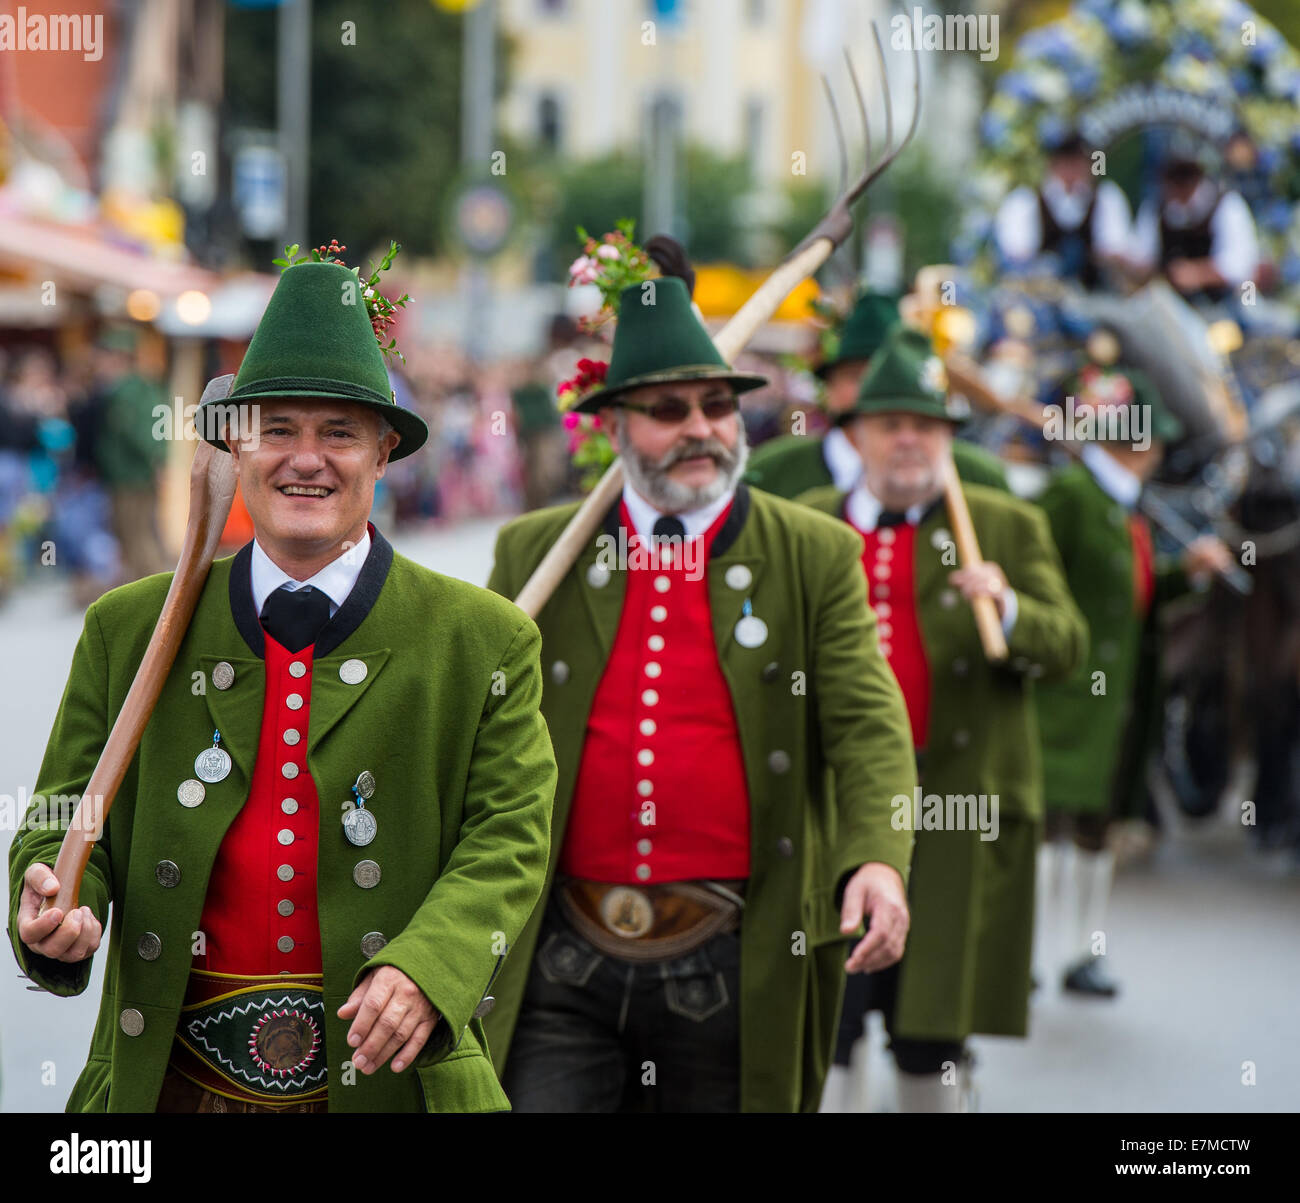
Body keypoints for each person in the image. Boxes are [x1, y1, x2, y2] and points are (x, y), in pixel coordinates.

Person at [9, 259, 557, 1112]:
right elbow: (59, 813)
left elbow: (510, 837)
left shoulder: (482, 639)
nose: (307, 459)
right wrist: (52, 891)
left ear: (384, 450)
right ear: (236, 445)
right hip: (171, 1089)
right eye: (277, 429)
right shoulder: (126, 629)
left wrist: (430, 965)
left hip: (391, 1087)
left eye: (339, 432)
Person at [483, 274, 918, 1112]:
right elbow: (483, 736)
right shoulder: (536, 554)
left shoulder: (813, 554)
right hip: (559, 952)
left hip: (729, 956)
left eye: (716, 406)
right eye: (669, 409)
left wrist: (877, 858)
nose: (701, 429)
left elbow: (868, 724)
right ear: (613, 427)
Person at [798, 326, 1086, 1111]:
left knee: (932, 1034)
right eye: (891, 423)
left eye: (927, 426)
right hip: (831, 806)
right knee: (825, 1022)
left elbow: (1067, 648)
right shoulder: (807, 524)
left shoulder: (1002, 526)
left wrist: (1011, 605)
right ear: (854, 433)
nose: (909, 441)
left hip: (956, 807)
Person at [1035, 365, 1233, 997]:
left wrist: (1187, 575)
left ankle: (1080, 953)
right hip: (1064, 701)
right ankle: (1032, 955)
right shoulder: (1071, 500)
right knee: (1048, 835)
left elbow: (1132, 601)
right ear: (1139, 445)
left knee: (1096, 834)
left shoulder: (1126, 508)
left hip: (1116, 702)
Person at [744, 290, 1010, 500]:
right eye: (857, 376)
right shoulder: (771, 471)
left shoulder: (978, 477)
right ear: (829, 387)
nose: (872, 390)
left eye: (886, 374)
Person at [994, 130, 1133, 290]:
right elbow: (1016, 254)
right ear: (1053, 164)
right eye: (1066, 161)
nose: (1072, 169)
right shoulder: (1024, 201)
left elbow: (1116, 250)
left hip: (1094, 296)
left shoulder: (1107, 198)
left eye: (1078, 161)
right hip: (1040, 297)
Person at [1127, 137, 1259, 306]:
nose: (1181, 185)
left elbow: (1239, 266)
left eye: (1186, 176)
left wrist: (1197, 273)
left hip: (1222, 306)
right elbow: (1140, 257)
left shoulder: (1227, 204)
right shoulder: (1156, 208)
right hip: (1169, 306)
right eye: (1174, 177)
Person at [88, 328, 171, 584]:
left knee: (137, 536)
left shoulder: (126, 391)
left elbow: (139, 433)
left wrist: (153, 460)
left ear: (118, 358)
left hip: (131, 476)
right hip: (134, 473)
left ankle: (155, 593)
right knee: (136, 535)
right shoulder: (140, 387)